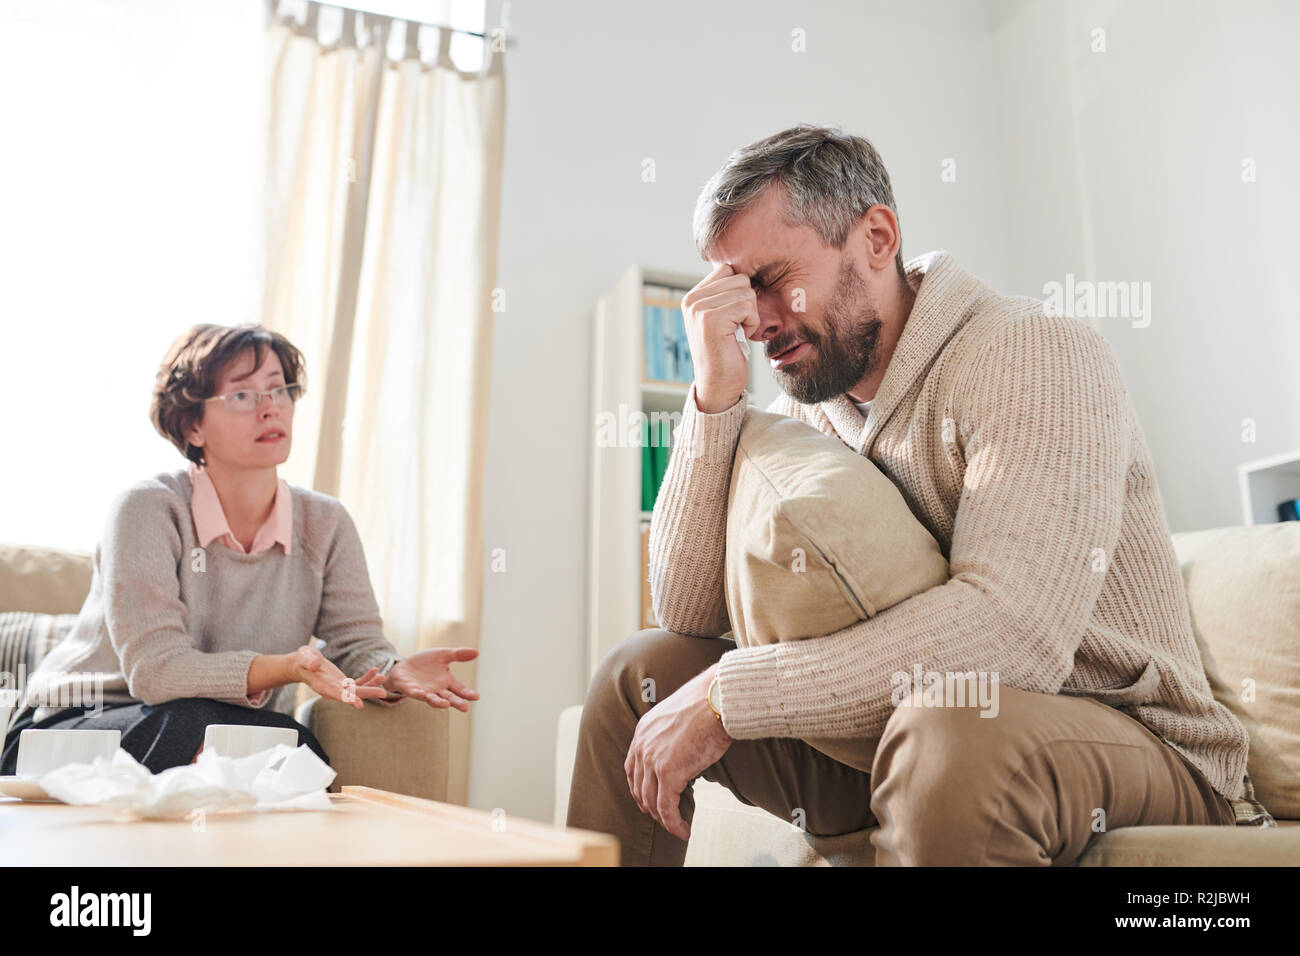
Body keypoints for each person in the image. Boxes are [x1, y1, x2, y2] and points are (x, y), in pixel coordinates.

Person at [567, 123, 1273, 866]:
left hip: (1131, 739)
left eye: (771, 278)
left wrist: (729, 698)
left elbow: (1016, 636)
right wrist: (713, 398)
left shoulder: (1035, 351)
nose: (753, 319)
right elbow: (686, 612)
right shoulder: (808, 412)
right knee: (638, 676)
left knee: (946, 734)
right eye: (734, 290)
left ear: (876, 237)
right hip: (907, 739)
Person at [2, 324, 479, 775]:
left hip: (213, 722)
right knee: (195, 727)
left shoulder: (326, 523)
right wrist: (288, 667)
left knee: (296, 748)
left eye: (279, 389)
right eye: (243, 395)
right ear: (192, 427)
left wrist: (393, 673)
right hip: (71, 729)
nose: (270, 407)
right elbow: (156, 673)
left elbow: (357, 647)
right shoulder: (147, 509)